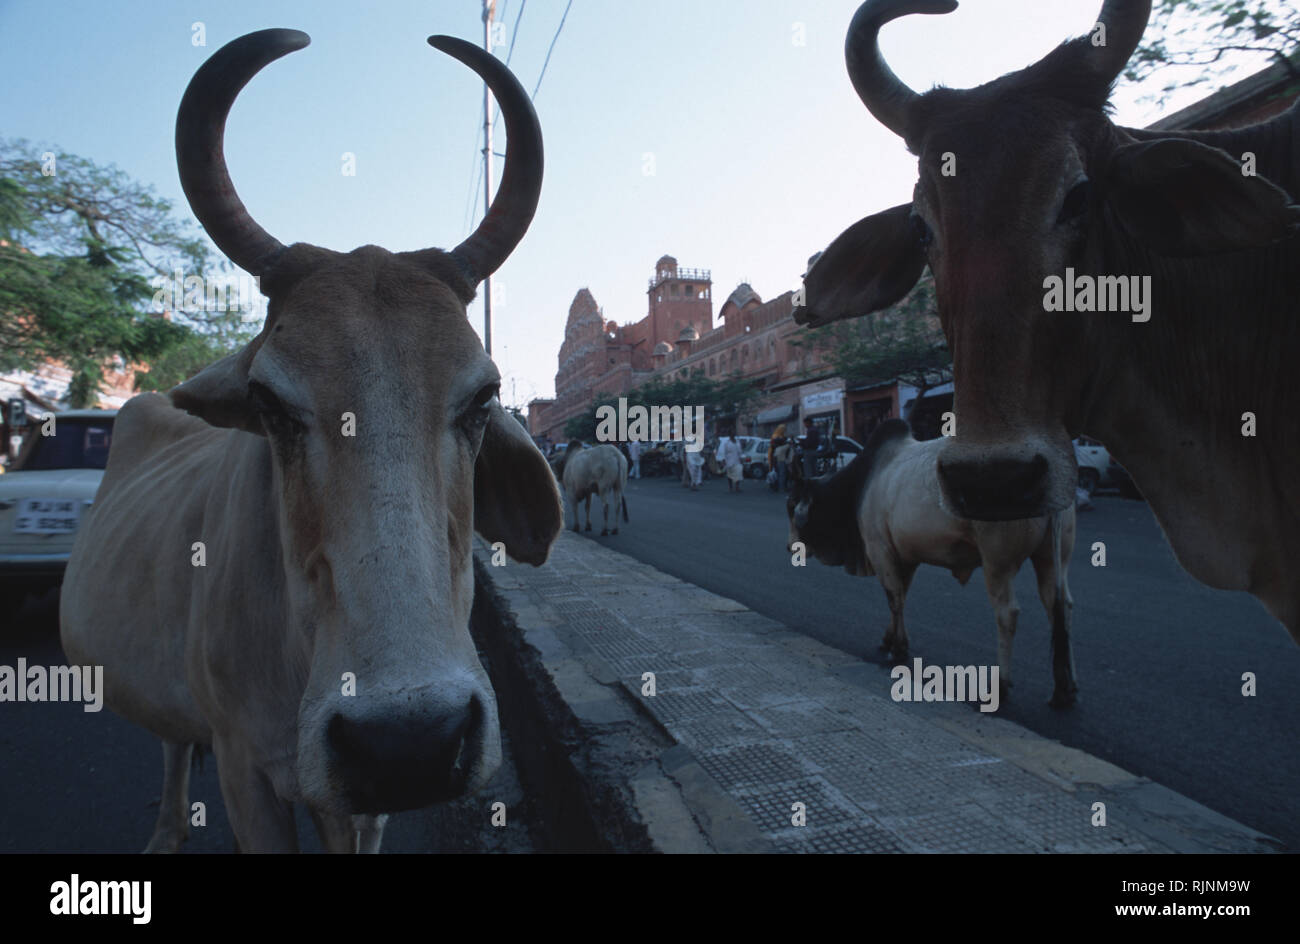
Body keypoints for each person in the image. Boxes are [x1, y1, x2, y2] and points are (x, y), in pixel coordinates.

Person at [768, 423, 789, 492]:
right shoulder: (775, 436)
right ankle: (780, 487)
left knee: (780, 472)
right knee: (779, 472)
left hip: (780, 456)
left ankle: (779, 486)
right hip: (776, 456)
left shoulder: (782, 436)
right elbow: (774, 446)